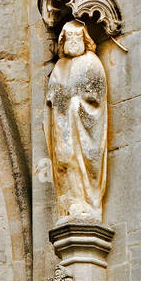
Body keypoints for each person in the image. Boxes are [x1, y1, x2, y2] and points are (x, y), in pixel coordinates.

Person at [45, 20, 108, 221]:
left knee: (83, 161)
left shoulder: (91, 61)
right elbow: (52, 95)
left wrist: (74, 100)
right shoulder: (60, 66)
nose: (72, 41)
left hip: (82, 126)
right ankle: (70, 201)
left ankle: (88, 203)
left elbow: (96, 95)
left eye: (76, 37)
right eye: (68, 38)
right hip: (62, 125)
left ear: (84, 39)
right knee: (64, 159)